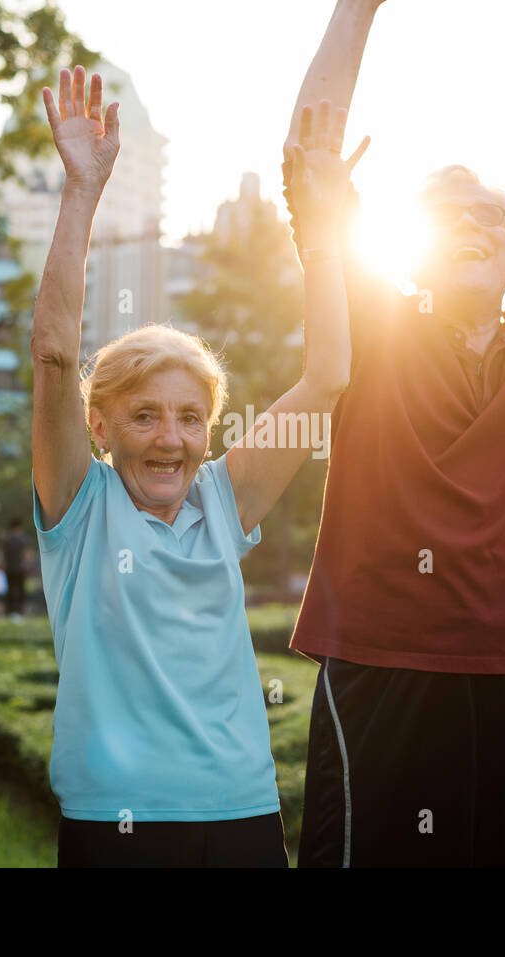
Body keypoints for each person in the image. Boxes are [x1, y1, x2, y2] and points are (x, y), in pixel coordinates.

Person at [283, 0, 505, 866]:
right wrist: (358, 8)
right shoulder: (371, 323)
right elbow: (309, 159)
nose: (474, 226)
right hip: (385, 667)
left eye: (494, 222)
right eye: (448, 217)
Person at [30, 66, 364, 866]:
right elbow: (52, 352)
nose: (170, 439)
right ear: (101, 424)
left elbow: (327, 377)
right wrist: (81, 192)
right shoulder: (81, 505)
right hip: (116, 822)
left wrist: (321, 236)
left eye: (190, 418)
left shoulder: (223, 500)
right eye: (145, 415)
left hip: (239, 813)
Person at [3, 517, 28, 619]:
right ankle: (19, 610)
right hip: (20, 569)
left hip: (9, 569)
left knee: (10, 589)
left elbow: (3, 555)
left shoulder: (7, 539)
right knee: (20, 590)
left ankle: (10, 611)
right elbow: (26, 554)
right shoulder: (23, 539)